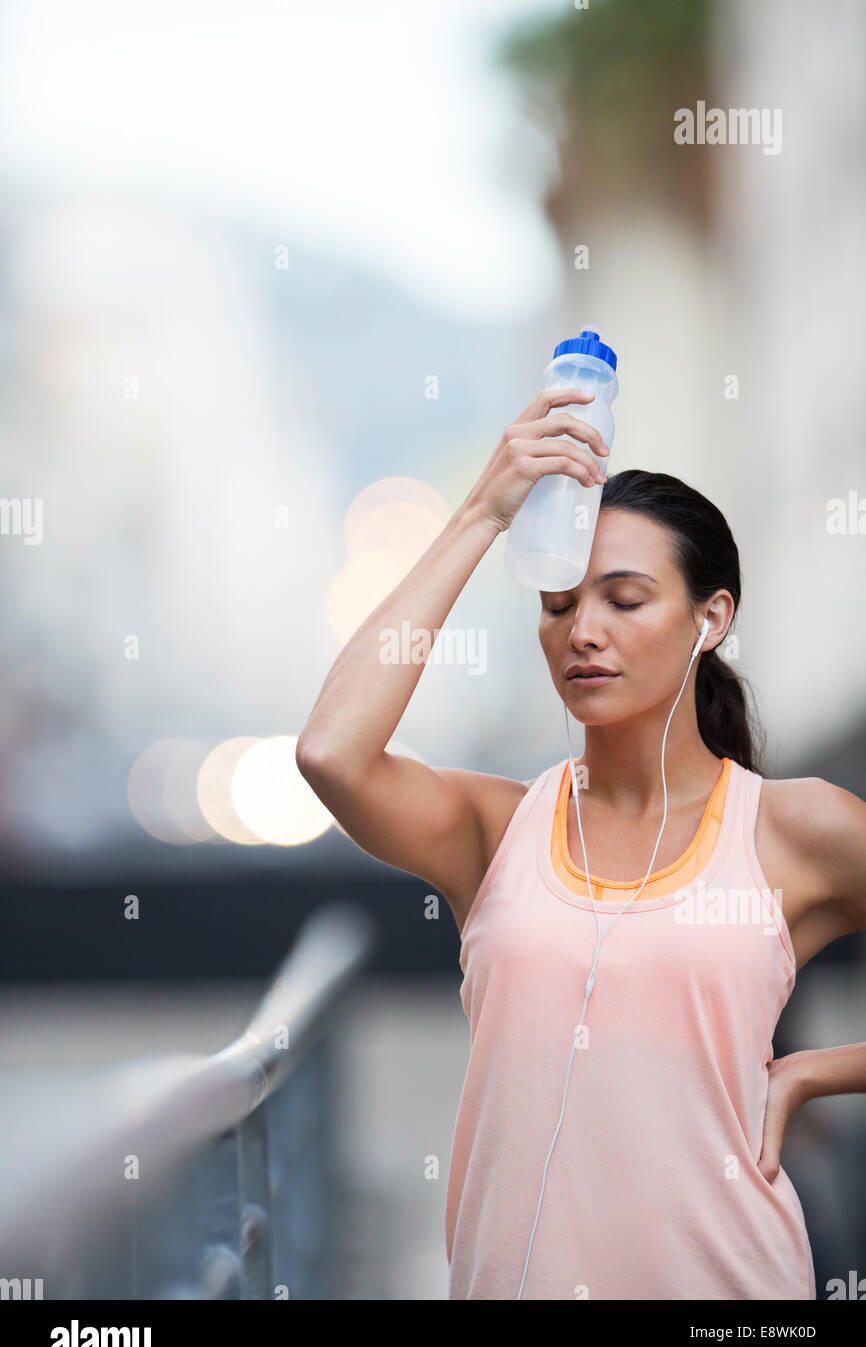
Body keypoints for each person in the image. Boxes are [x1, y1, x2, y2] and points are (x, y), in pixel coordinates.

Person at [296, 385, 866, 1300]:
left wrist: (815, 1074)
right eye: (558, 604)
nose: (582, 633)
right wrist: (483, 510)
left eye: (625, 600)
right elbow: (331, 753)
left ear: (709, 621)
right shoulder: (496, 829)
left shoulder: (793, 826)